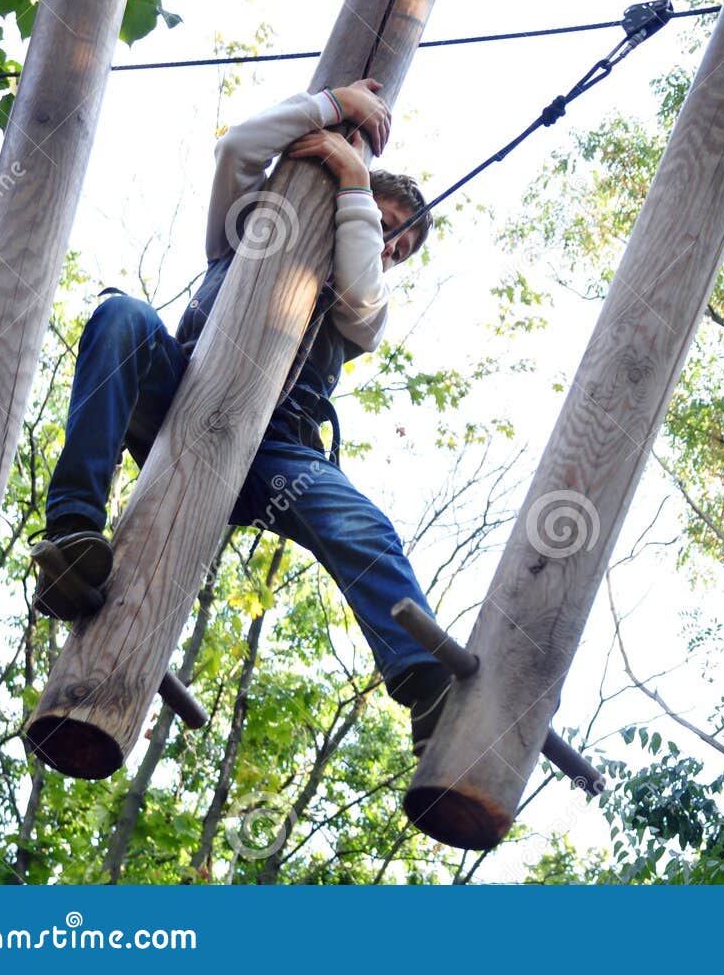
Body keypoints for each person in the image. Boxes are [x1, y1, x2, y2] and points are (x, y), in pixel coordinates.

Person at [35, 81, 452, 753]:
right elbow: (238, 147)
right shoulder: (247, 229)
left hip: (274, 452)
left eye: (397, 248)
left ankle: (422, 676)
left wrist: (354, 186)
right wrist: (335, 105)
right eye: (384, 225)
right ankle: (73, 535)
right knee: (120, 318)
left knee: (358, 521)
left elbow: (361, 285)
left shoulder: (359, 309)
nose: (386, 248)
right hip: (182, 393)